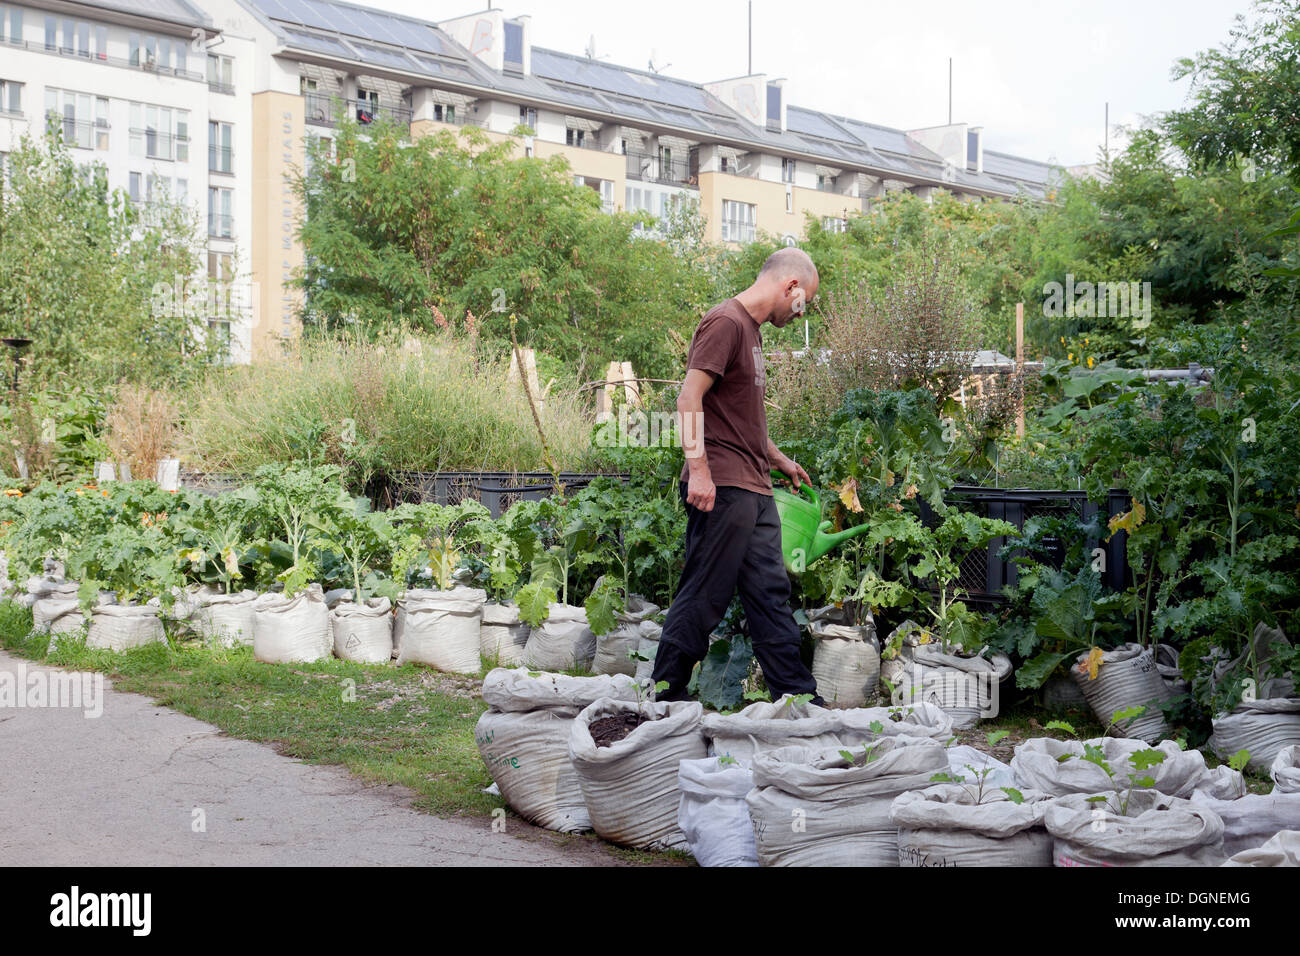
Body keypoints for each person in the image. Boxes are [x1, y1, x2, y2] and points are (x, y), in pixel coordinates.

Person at [651, 247, 824, 705]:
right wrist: (700, 471)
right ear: (791, 287)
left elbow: (739, 417)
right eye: (806, 299)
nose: (803, 310)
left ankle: (798, 698)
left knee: (771, 595)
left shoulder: (750, 332)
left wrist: (780, 460)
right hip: (722, 489)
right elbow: (689, 399)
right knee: (704, 593)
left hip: (753, 488)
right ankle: (665, 694)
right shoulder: (726, 322)